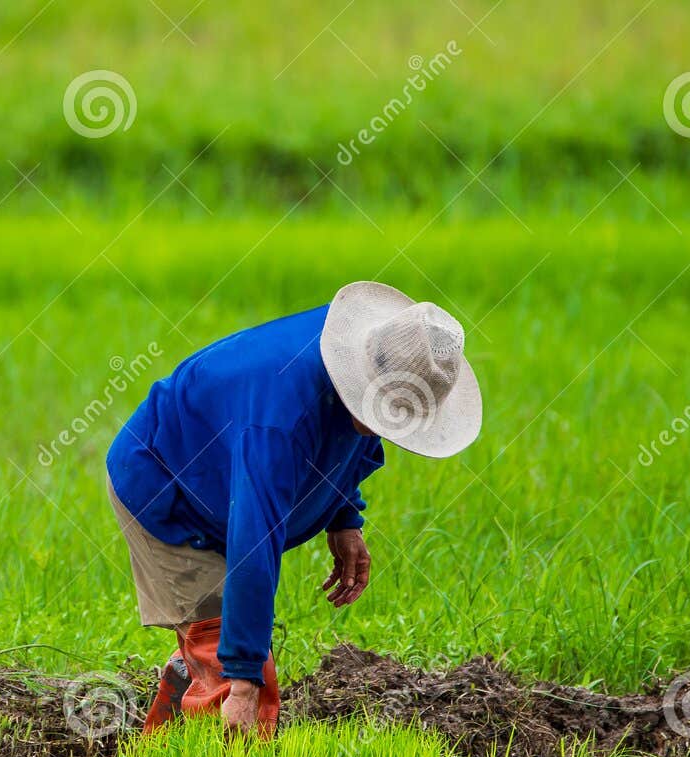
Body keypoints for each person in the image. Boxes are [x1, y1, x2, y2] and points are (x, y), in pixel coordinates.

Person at [105, 281, 483, 734]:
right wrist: (243, 681)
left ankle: (174, 723)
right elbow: (253, 545)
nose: (385, 426)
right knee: (240, 678)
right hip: (168, 487)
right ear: (361, 376)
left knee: (223, 653)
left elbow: (341, 441)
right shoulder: (276, 423)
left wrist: (345, 519)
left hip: (222, 483)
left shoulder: (374, 354)